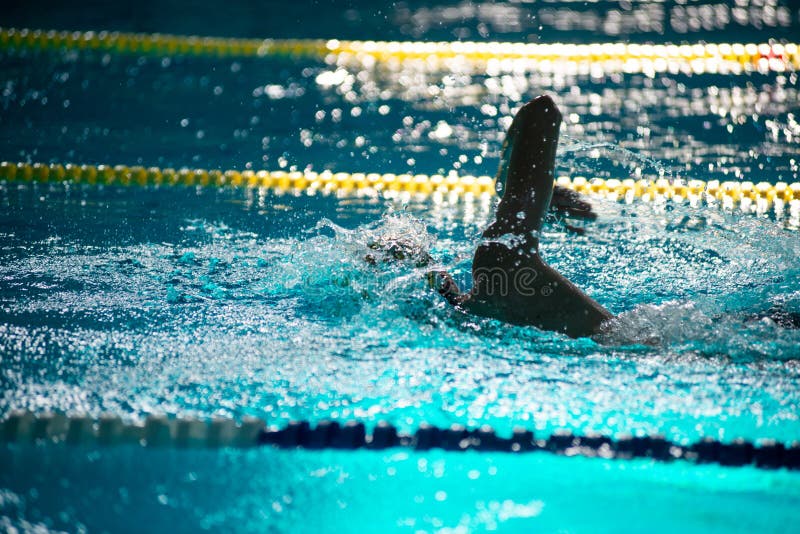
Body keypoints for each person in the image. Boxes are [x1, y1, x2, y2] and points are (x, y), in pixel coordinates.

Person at [429, 95, 614, 338]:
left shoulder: (477, 319)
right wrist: (512, 188)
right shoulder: (503, 257)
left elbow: (543, 110)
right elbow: (542, 111)